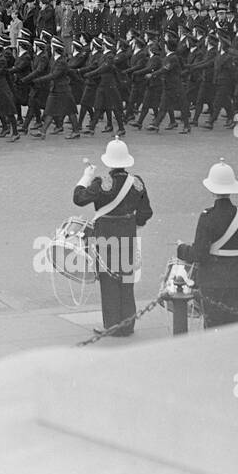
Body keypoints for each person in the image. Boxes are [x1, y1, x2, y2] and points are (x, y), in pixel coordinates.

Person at [72, 139, 153, 336]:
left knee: (109, 282)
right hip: (128, 236)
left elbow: (79, 198)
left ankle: (112, 326)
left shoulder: (102, 182)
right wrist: (133, 224)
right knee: (126, 281)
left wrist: (86, 176)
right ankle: (128, 325)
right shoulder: (137, 182)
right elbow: (146, 212)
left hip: (105, 237)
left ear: (108, 162)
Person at [177, 160, 238, 328]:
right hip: (236, 280)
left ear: (212, 189)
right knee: (232, 329)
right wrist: (235, 263)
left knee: (213, 329)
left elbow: (199, 254)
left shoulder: (207, 216)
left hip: (212, 283)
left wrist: (181, 249)